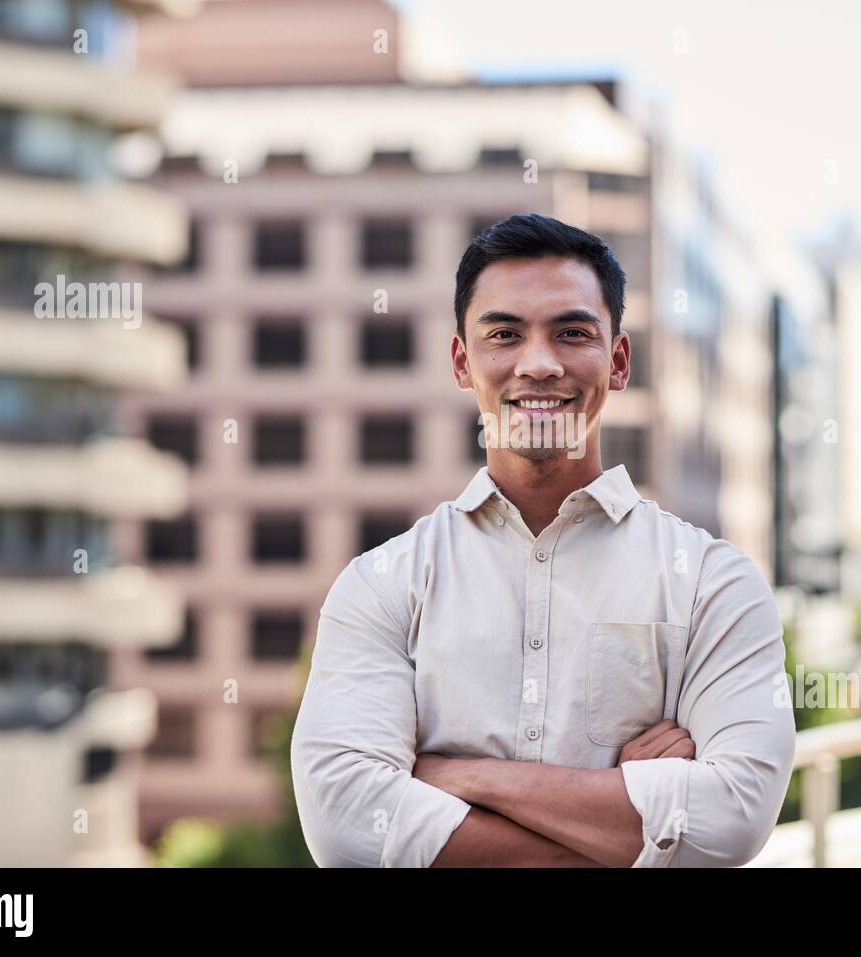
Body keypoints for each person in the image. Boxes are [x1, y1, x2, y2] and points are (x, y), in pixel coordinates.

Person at [291, 213, 795, 867]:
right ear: (461, 361)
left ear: (616, 362)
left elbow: (734, 815)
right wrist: (628, 822)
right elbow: (345, 824)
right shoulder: (384, 583)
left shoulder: (713, 582)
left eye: (571, 333)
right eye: (504, 334)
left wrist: (458, 777)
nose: (539, 363)